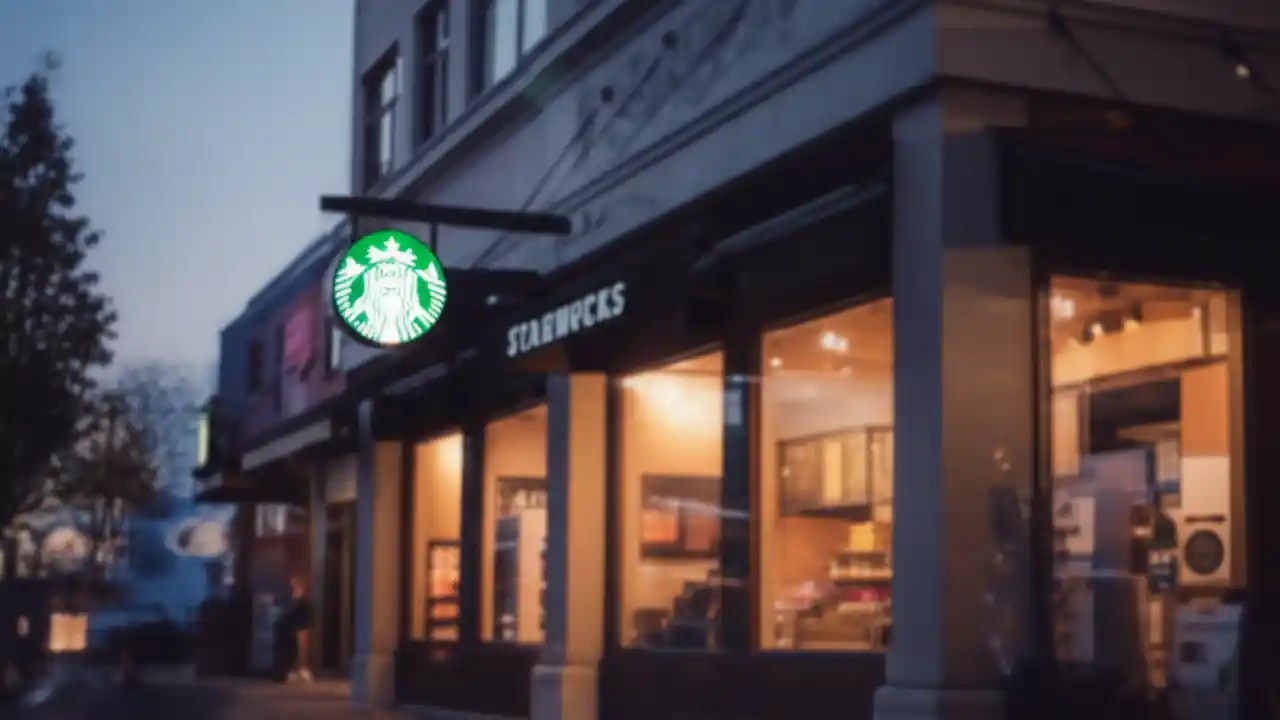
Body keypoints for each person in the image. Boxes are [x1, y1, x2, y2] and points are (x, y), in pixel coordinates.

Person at [278, 575, 313, 684]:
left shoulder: (302, 607)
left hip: (292, 647)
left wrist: (302, 658)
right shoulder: (288, 606)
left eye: (294, 588)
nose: (291, 591)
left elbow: (303, 633)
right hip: (286, 646)